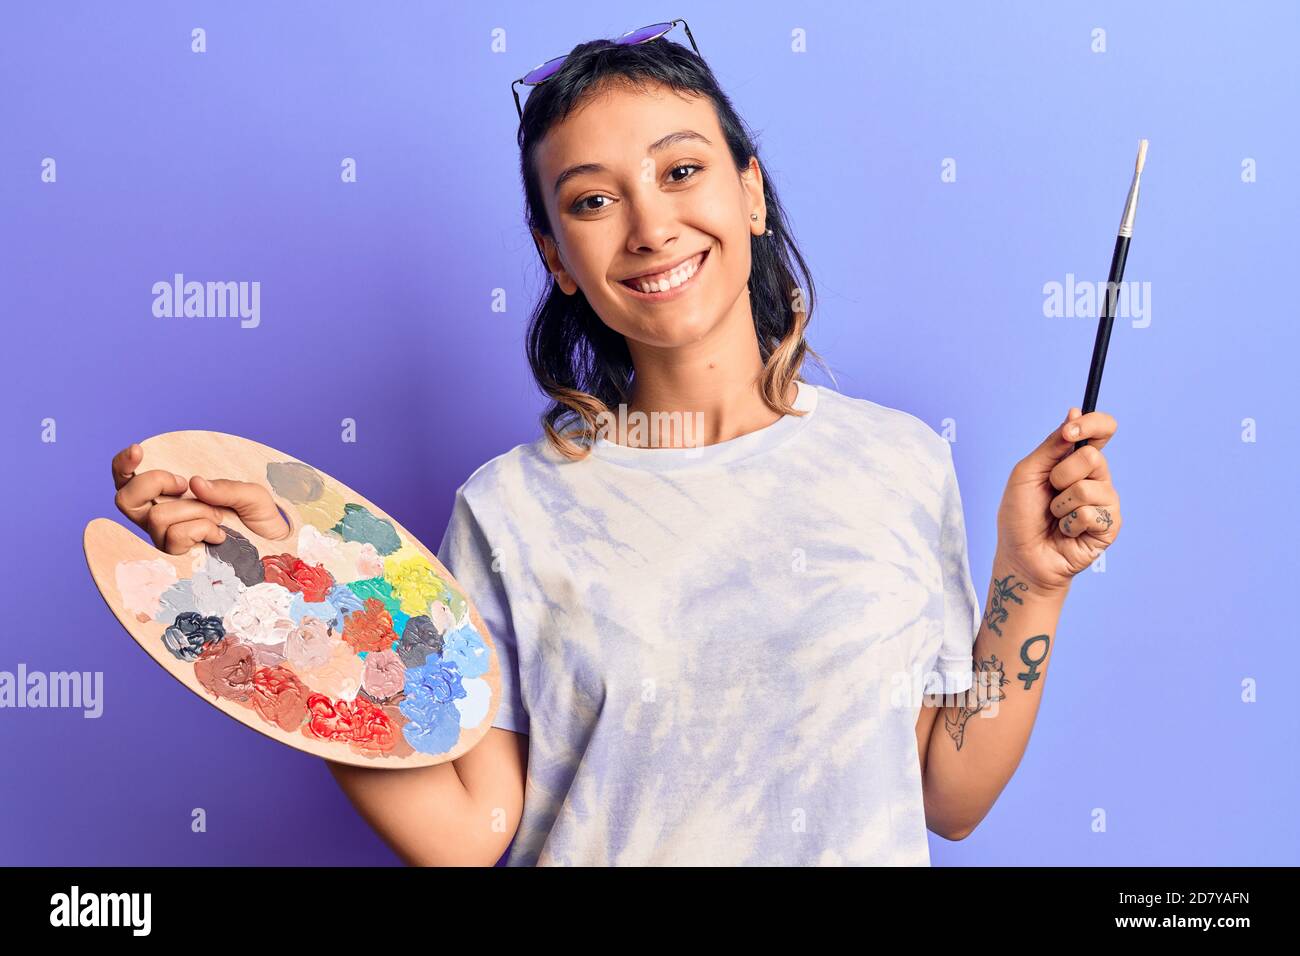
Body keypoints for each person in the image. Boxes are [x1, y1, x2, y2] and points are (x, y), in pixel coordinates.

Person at [108, 30, 1122, 866]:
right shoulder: (508, 507)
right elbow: (470, 830)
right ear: (556, 255)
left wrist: (1030, 580)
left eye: (681, 170)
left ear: (750, 194)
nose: (649, 225)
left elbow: (946, 793)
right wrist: (279, 611)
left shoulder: (899, 462)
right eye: (592, 199)